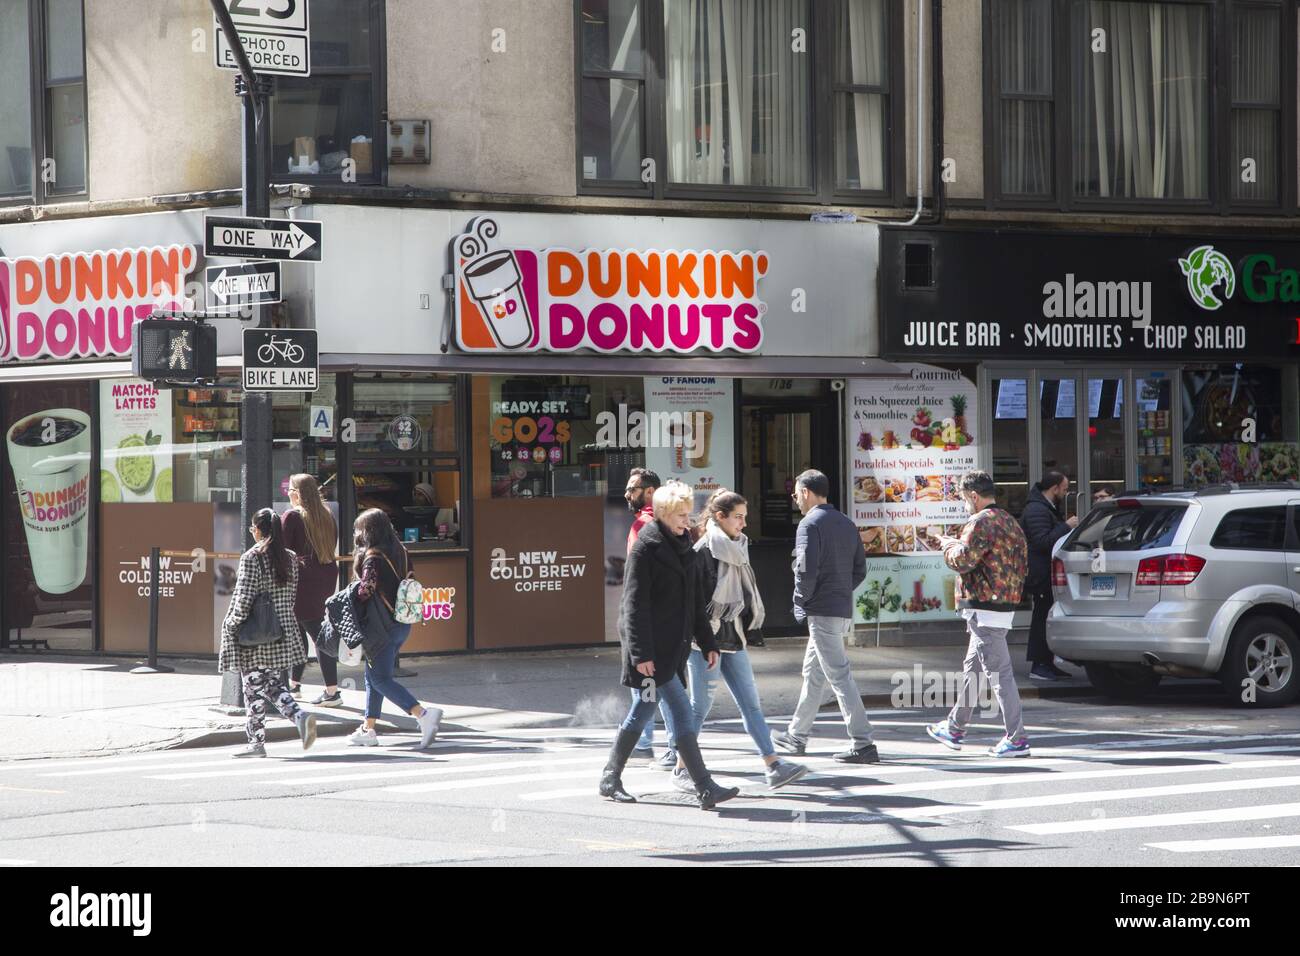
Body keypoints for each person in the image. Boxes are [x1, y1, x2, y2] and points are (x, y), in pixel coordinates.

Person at [600, 481, 740, 810]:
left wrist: (708, 643)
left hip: (670, 648)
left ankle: (610, 777)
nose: (686, 520)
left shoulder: (683, 547)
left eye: (688, 514)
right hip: (652, 652)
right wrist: (642, 655)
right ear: (662, 514)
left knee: (642, 710)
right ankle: (705, 787)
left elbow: (693, 603)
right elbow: (632, 606)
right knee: (681, 712)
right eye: (679, 515)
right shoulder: (646, 548)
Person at [680, 489, 808, 790]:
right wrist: (702, 639)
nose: (743, 524)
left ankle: (773, 765)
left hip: (733, 636)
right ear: (720, 517)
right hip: (704, 642)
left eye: (745, 517)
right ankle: (680, 766)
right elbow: (694, 603)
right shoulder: (703, 552)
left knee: (751, 704)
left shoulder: (738, 547)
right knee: (699, 708)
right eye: (738, 517)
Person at [772, 469, 879, 764]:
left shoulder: (809, 524)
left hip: (821, 611)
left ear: (806, 492)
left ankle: (863, 741)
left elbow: (805, 570)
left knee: (838, 675)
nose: (795, 500)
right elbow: (860, 569)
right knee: (814, 673)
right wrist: (840, 590)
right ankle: (797, 735)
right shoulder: (846, 523)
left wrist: (799, 602)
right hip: (840, 608)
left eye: (795, 494)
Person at [928, 470, 1031, 757]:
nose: (964, 505)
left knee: (1000, 675)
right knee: (972, 669)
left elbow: (963, 560)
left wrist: (948, 545)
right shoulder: (1010, 521)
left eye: (963, 499)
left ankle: (1017, 738)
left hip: (985, 607)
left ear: (973, 496)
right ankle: (954, 727)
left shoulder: (980, 522)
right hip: (1002, 604)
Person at [219, 508, 318, 758]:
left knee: (252, 688)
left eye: (253, 528)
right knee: (272, 684)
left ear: (260, 530)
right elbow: (291, 595)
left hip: (255, 633)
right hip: (280, 631)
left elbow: (244, 596)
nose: (252, 532)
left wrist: (232, 623)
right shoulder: (290, 557)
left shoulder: (252, 557)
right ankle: (300, 717)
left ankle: (256, 743)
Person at [348, 508, 443, 749]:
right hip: (401, 623)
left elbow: (365, 590)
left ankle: (422, 714)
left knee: (379, 677)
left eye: (359, 530)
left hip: (381, 626)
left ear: (369, 531)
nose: (357, 534)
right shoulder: (401, 550)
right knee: (373, 675)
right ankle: (368, 729)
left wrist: (350, 592)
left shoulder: (373, 558)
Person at [623, 467, 671, 767]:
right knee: (661, 688)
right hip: (667, 618)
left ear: (650, 491)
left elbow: (635, 581)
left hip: (648, 620)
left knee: (654, 688)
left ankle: (643, 744)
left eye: (633, 488)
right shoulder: (669, 521)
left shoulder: (643, 524)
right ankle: (647, 743)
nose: (628, 494)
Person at [283, 474, 343, 703]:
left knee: (316, 632)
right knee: (301, 628)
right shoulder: (327, 515)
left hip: (303, 578)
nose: (288, 494)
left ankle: (332, 691)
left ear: (297, 493)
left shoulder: (292, 516)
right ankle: (294, 685)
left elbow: (282, 549)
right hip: (325, 573)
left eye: (290, 490)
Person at [1021, 470, 1077, 682]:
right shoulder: (1037, 509)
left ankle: (1047, 663)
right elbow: (1042, 542)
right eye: (1064, 489)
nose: (1065, 492)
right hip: (1041, 572)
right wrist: (1066, 526)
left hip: (1046, 571)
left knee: (1045, 618)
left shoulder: (1045, 507)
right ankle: (1039, 664)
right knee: (1041, 619)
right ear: (1054, 488)